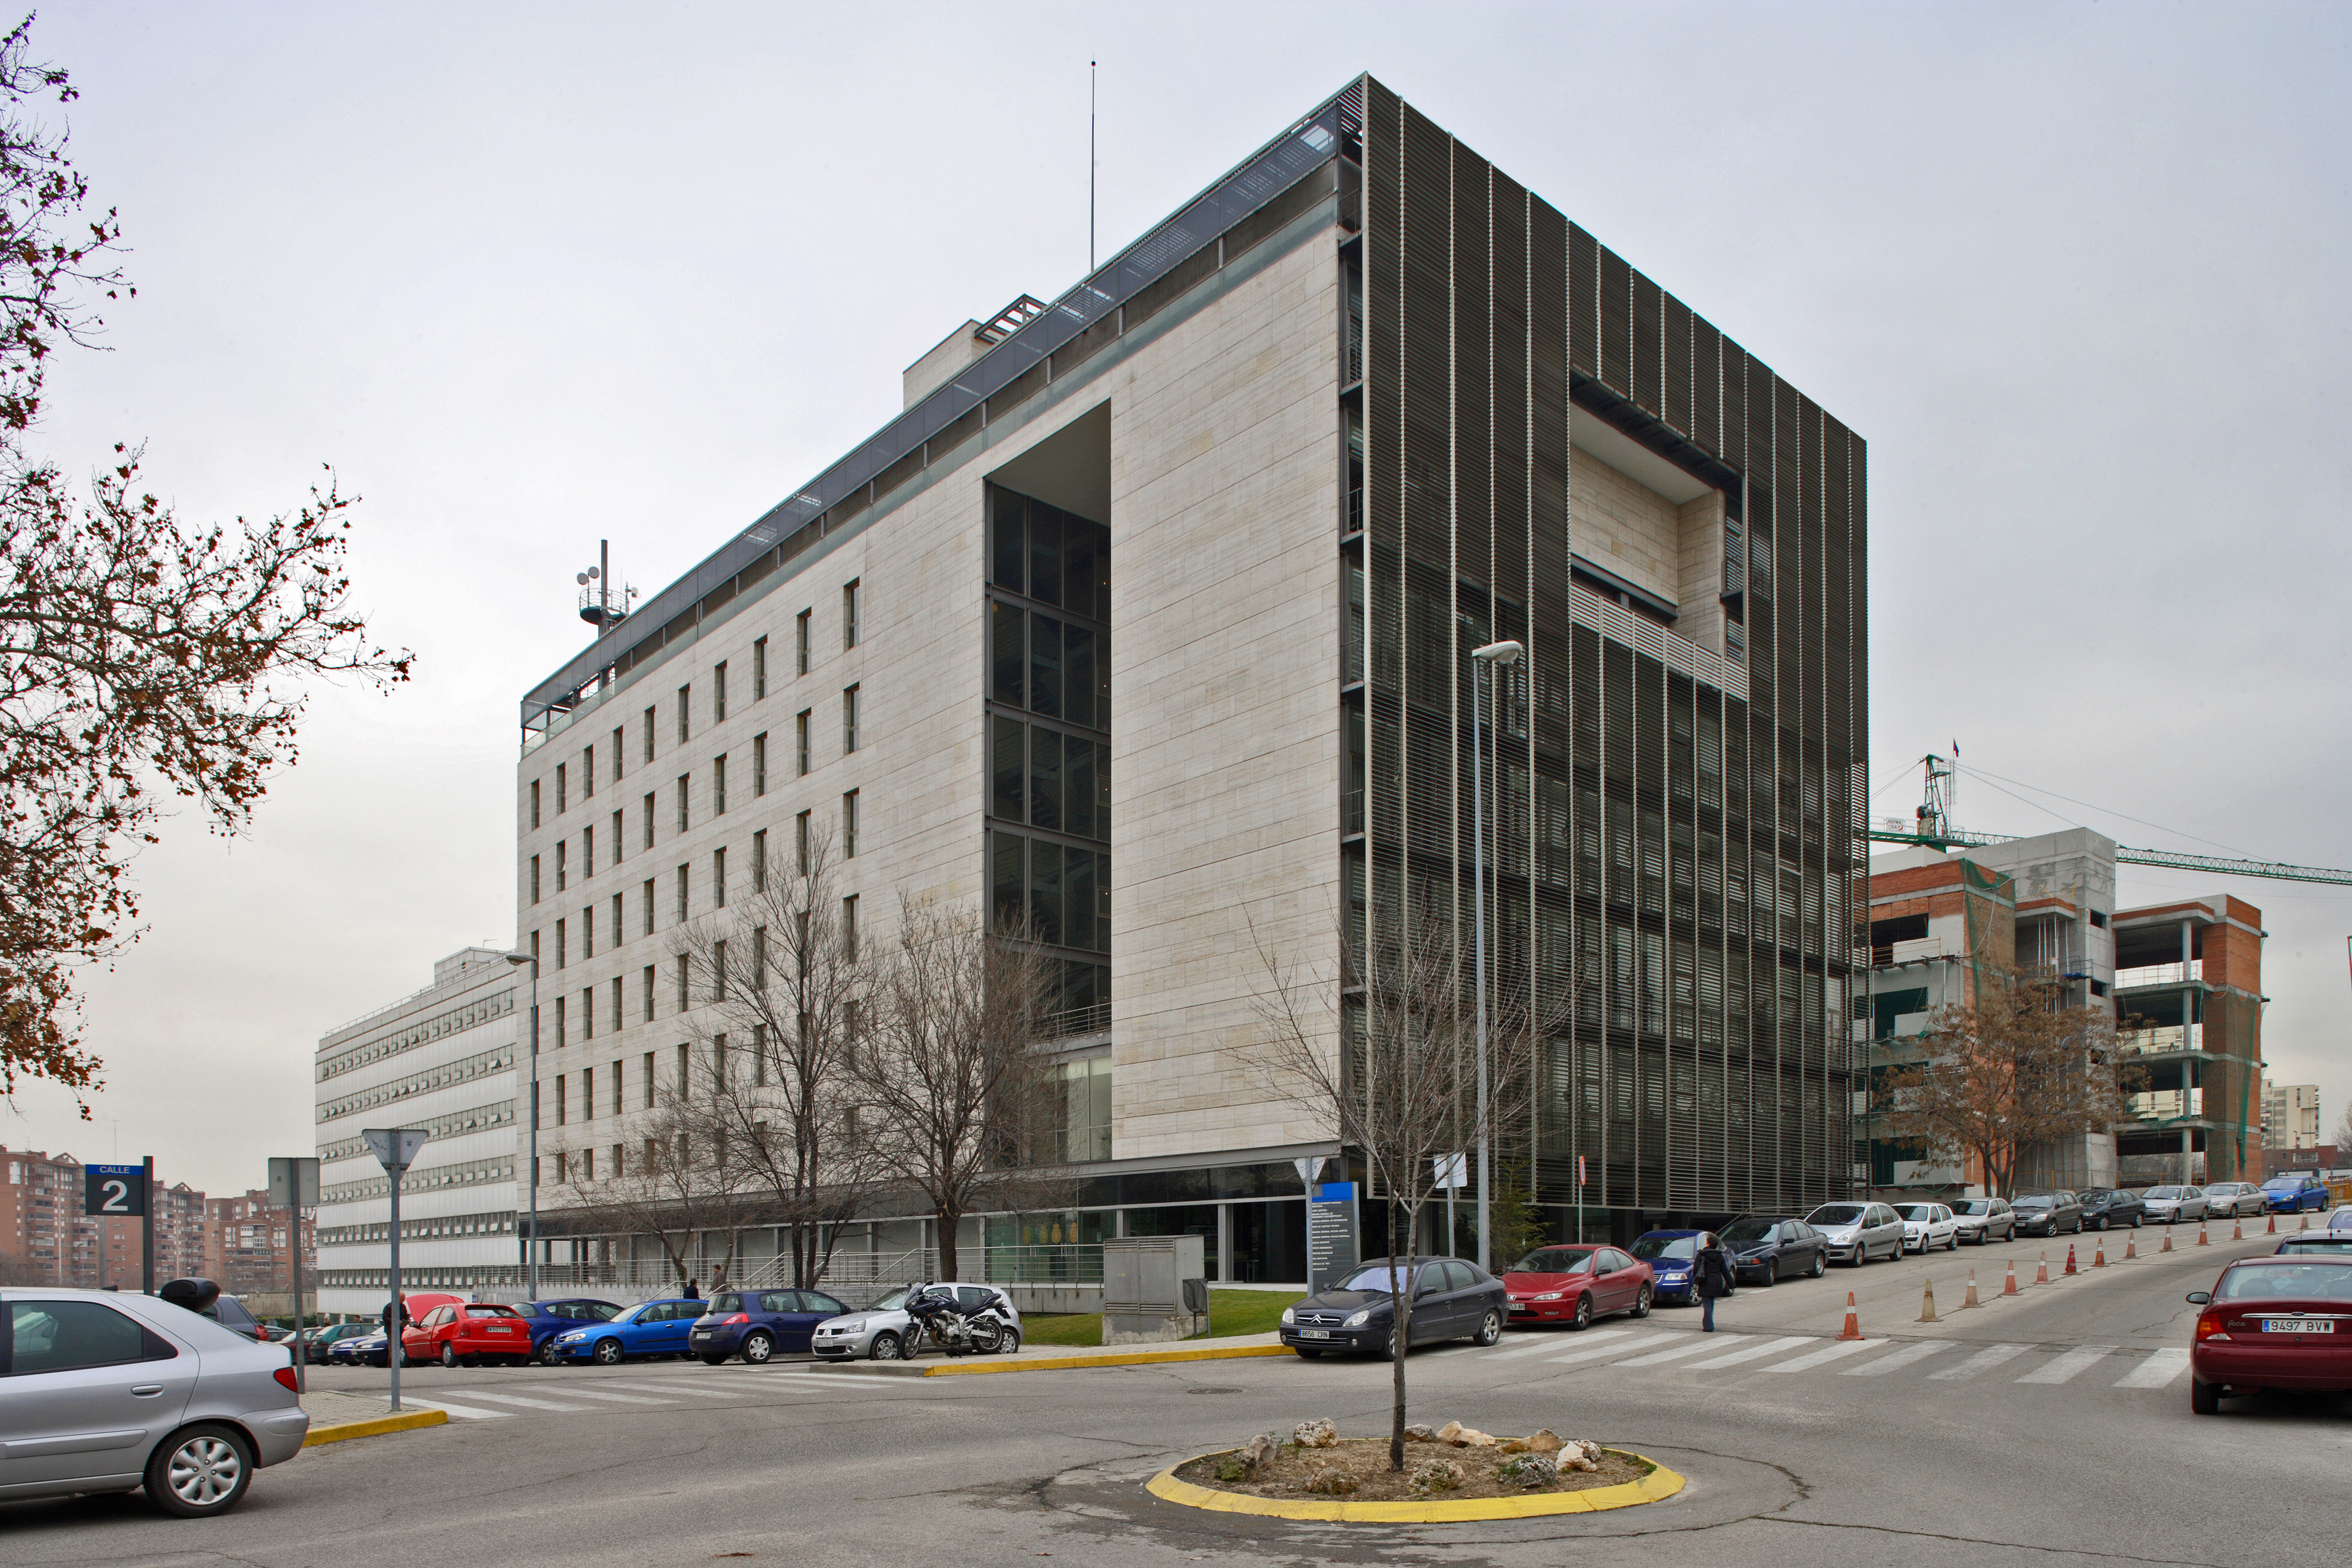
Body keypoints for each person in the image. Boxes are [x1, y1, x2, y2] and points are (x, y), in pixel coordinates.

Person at [1695, 1233, 1735, 1332]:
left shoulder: (1702, 1255)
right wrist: (1731, 1284)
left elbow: (1696, 1268)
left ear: (1708, 1243)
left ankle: (1708, 1326)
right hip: (1716, 1281)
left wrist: (1696, 1280)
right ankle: (1708, 1323)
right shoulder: (1719, 1256)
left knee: (1707, 1304)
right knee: (1711, 1302)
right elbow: (1725, 1271)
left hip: (1705, 1281)